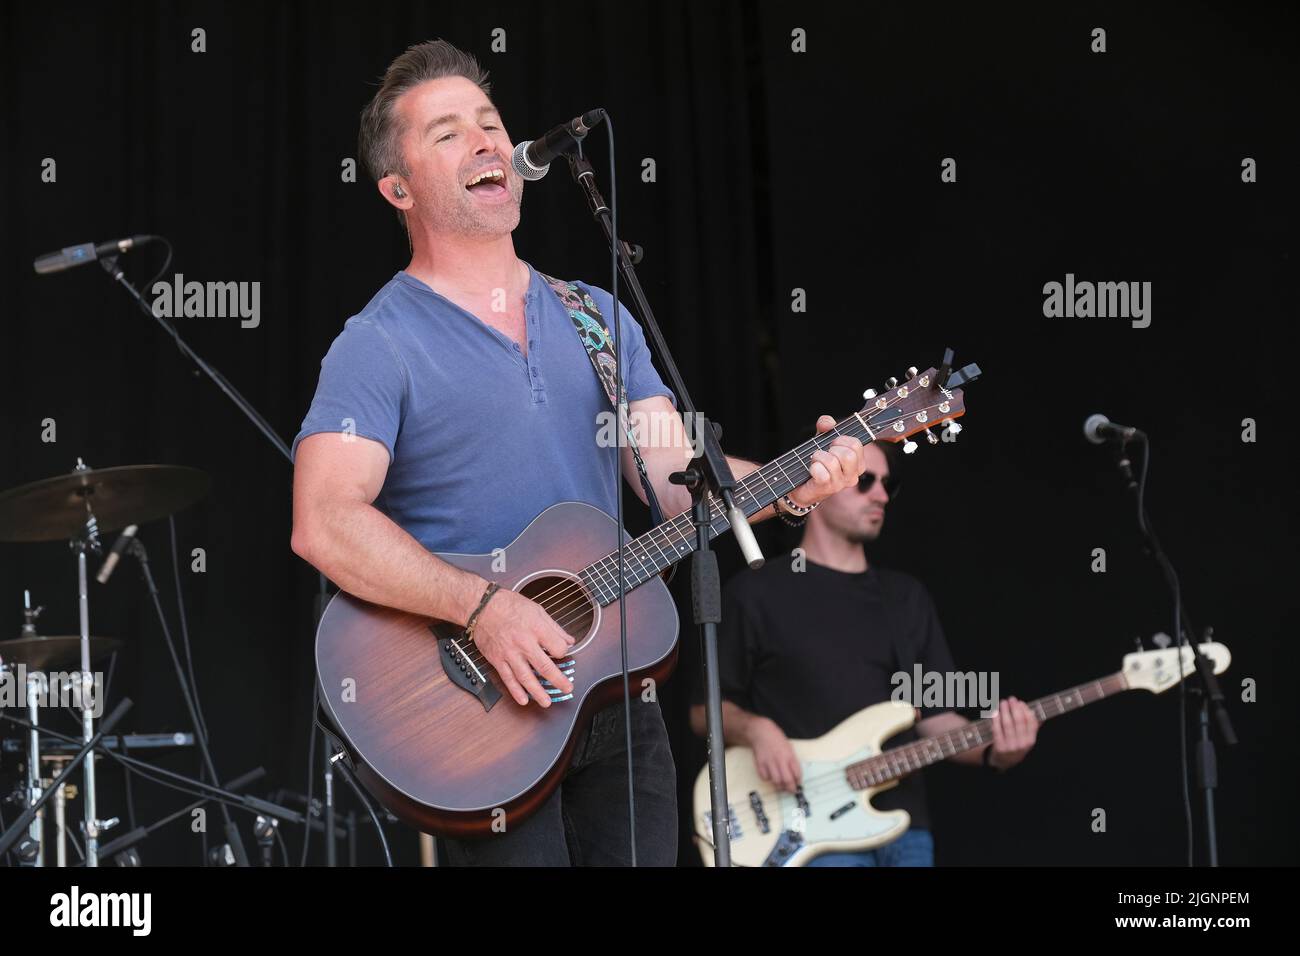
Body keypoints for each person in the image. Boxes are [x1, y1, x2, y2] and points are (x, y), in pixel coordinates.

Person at [290, 39, 867, 866]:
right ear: (398, 187)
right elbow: (323, 523)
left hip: (616, 692)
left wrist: (798, 485)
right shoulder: (378, 344)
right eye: (449, 133)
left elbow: (678, 485)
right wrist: (482, 609)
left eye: (491, 123)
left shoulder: (595, 316)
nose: (488, 141)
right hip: (479, 709)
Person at [690, 441, 1039, 866]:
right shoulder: (755, 591)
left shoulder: (906, 597)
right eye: (865, 481)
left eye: (888, 484)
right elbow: (702, 710)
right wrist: (757, 730)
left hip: (904, 828)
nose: (881, 495)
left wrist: (993, 748)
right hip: (806, 830)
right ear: (819, 482)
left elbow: (934, 718)